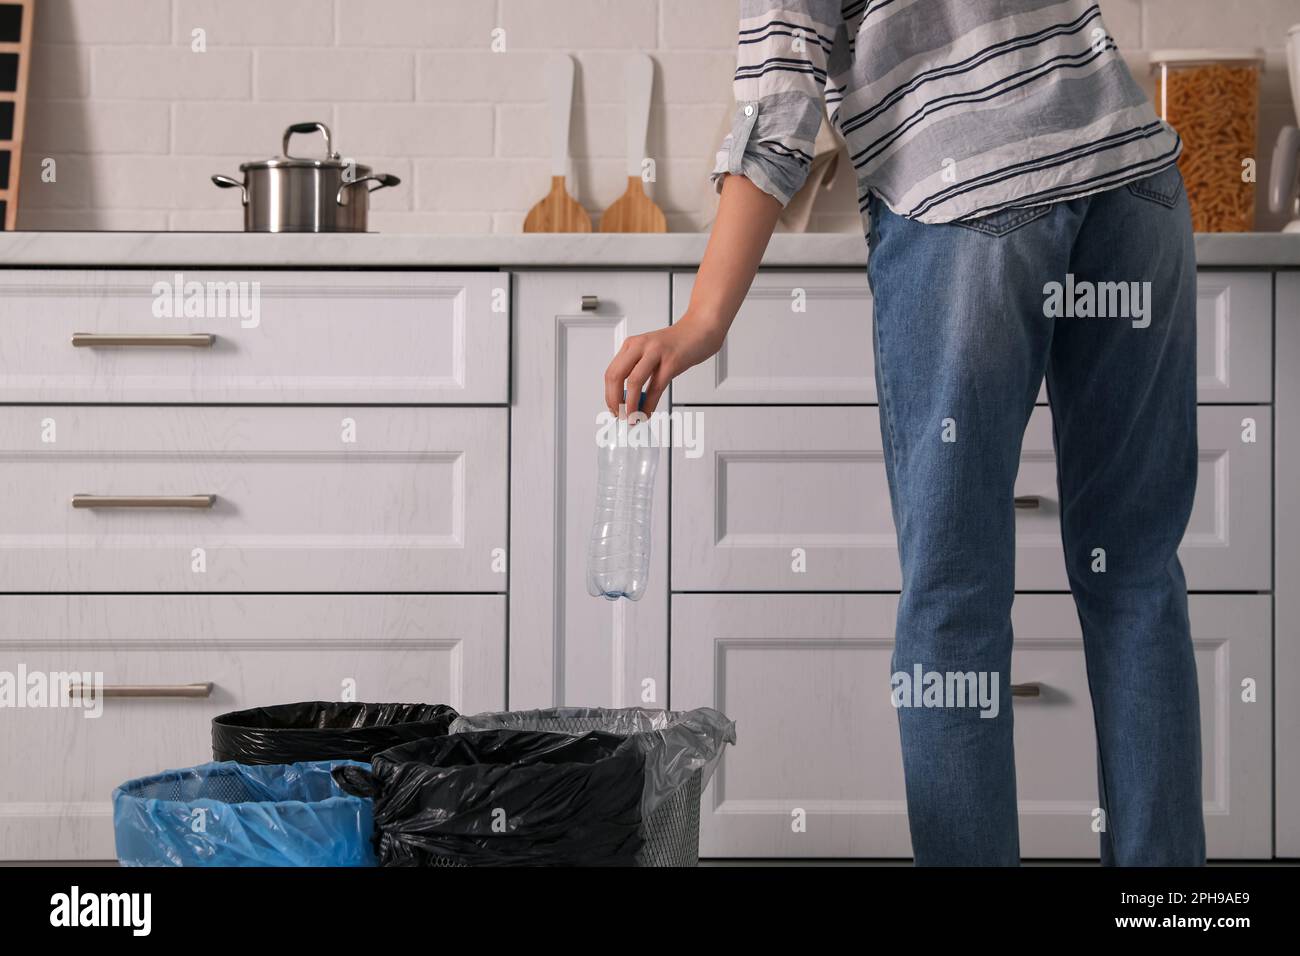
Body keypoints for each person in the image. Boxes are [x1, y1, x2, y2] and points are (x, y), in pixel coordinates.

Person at [602, 0, 1203, 866]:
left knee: (954, 599)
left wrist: (702, 320)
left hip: (968, 195)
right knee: (1138, 577)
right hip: (1134, 181)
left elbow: (779, 102)